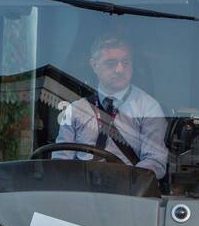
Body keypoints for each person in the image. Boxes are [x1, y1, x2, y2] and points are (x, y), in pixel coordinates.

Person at [55, 33, 168, 179]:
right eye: (111, 63)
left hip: (127, 191)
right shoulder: (75, 110)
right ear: (94, 65)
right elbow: (61, 160)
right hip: (81, 190)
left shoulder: (148, 108)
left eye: (125, 63)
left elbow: (155, 161)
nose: (119, 69)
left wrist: (127, 179)